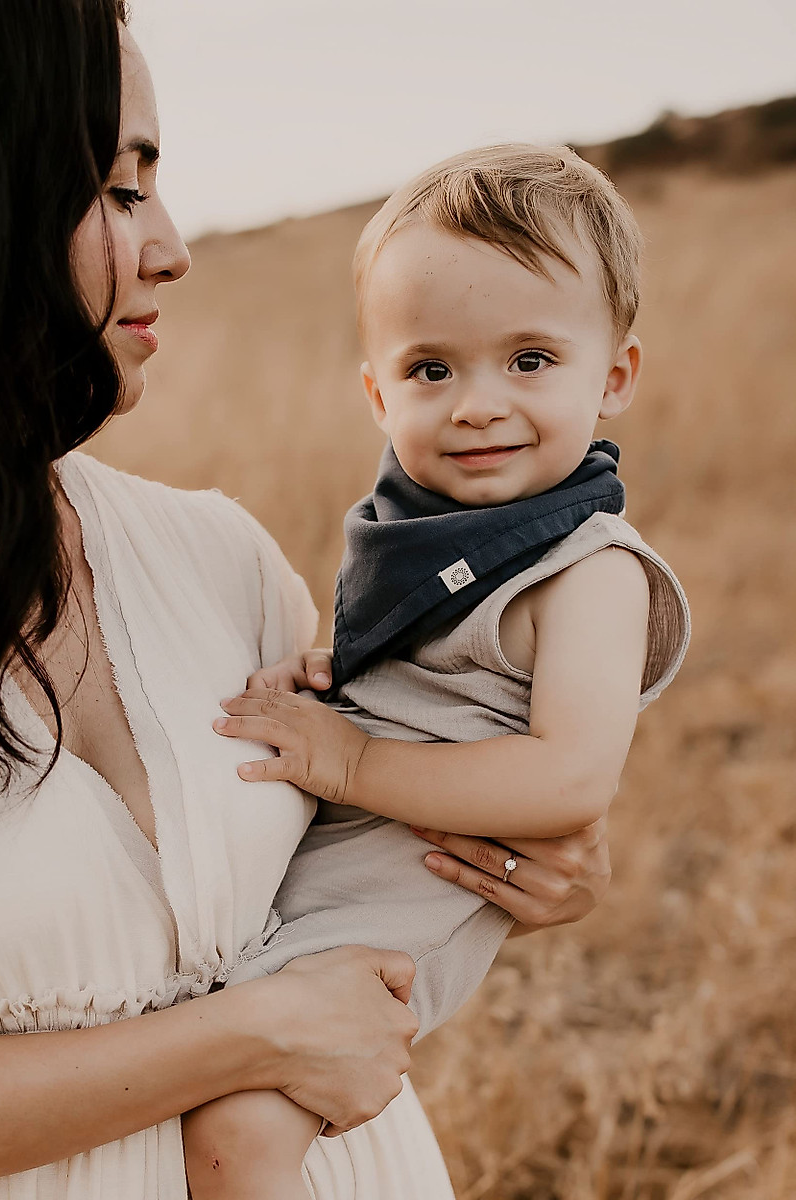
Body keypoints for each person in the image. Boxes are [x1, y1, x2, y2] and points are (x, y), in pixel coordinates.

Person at [0, 6, 613, 1198]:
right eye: (119, 192)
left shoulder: (217, 557)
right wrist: (253, 1036)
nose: (173, 248)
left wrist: (526, 869)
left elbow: (360, 855)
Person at [181, 145, 691, 1199]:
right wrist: (338, 684)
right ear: (377, 392)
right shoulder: (431, 535)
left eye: (531, 360)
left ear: (618, 376)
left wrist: (351, 757)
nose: (477, 404)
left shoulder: (588, 572)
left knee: (239, 1126)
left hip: (398, 907)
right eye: (431, 369)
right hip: (331, 875)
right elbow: (422, 680)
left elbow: (569, 783)